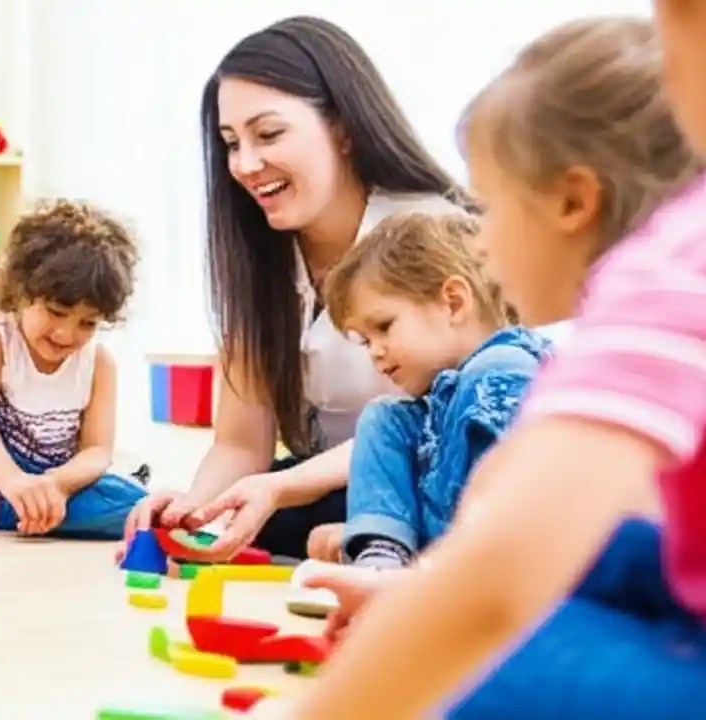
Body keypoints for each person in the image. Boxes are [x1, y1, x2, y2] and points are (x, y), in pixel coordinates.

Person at [266, 14, 706, 719]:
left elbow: (501, 575)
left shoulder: (671, 271)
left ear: (572, 200)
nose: (479, 244)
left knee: (493, 657)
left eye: (489, 208)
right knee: (617, 555)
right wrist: (426, 586)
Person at [121, 15, 472, 561]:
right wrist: (195, 511)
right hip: (324, 484)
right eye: (230, 143)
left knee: (301, 512)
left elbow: (436, 425)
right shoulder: (260, 258)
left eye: (269, 134)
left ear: (344, 128)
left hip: (424, 477)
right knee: (244, 516)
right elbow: (241, 444)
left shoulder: (429, 234)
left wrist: (281, 489)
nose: (245, 164)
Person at [0, 199, 148, 540]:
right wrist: (13, 481)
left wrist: (55, 485)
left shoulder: (99, 364)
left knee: (135, 505)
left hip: (60, 481)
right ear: (21, 292)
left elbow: (96, 452)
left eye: (87, 323)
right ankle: (7, 500)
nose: (66, 333)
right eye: (55, 312)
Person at [321, 212, 550, 569]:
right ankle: (382, 551)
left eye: (384, 326)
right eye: (365, 340)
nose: (375, 352)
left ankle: (391, 567)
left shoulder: (501, 370)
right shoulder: (440, 400)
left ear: (454, 302)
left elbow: (510, 508)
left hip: (491, 564)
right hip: (445, 552)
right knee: (385, 416)